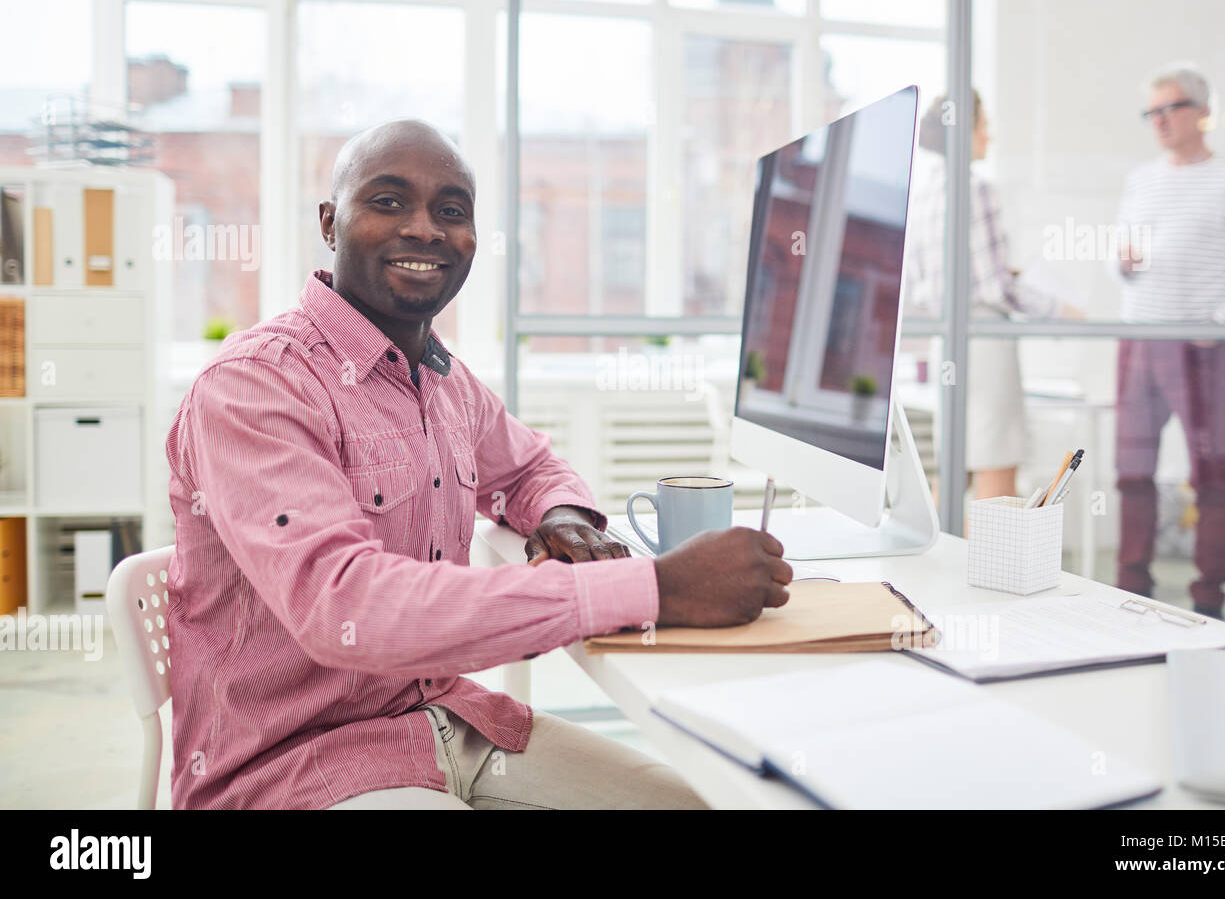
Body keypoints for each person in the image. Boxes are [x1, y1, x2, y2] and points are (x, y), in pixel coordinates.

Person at [164, 119, 794, 809]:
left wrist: (559, 516)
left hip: (448, 725)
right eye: (388, 201)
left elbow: (528, 467)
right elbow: (343, 605)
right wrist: (656, 589)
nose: (425, 229)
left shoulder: (441, 379)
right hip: (290, 768)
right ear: (329, 223)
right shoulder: (256, 384)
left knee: (699, 804)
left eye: (451, 211)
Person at [1112, 65, 1225, 619]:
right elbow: (1126, 265)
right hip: (1140, 342)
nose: (1160, 120)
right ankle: (1130, 589)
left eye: (1172, 108)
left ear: (1203, 112)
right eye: (1152, 111)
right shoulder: (1140, 179)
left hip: (1201, 350)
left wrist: (1220, 324)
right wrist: (1126, 266)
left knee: (1212, 476)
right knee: (1131, 470)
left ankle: (1209, 601)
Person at [905, 91, 1081, 504]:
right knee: (996, 466)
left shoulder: (928, 191)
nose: (990, 136)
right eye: (984, 125)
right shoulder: (975, 189)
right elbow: (996, 287)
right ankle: (987, 569)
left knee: (956, 468)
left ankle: (936, 560)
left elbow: (922, 281)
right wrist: (1060, 310)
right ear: (964, 131)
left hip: (946, 339)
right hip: (984, 341)